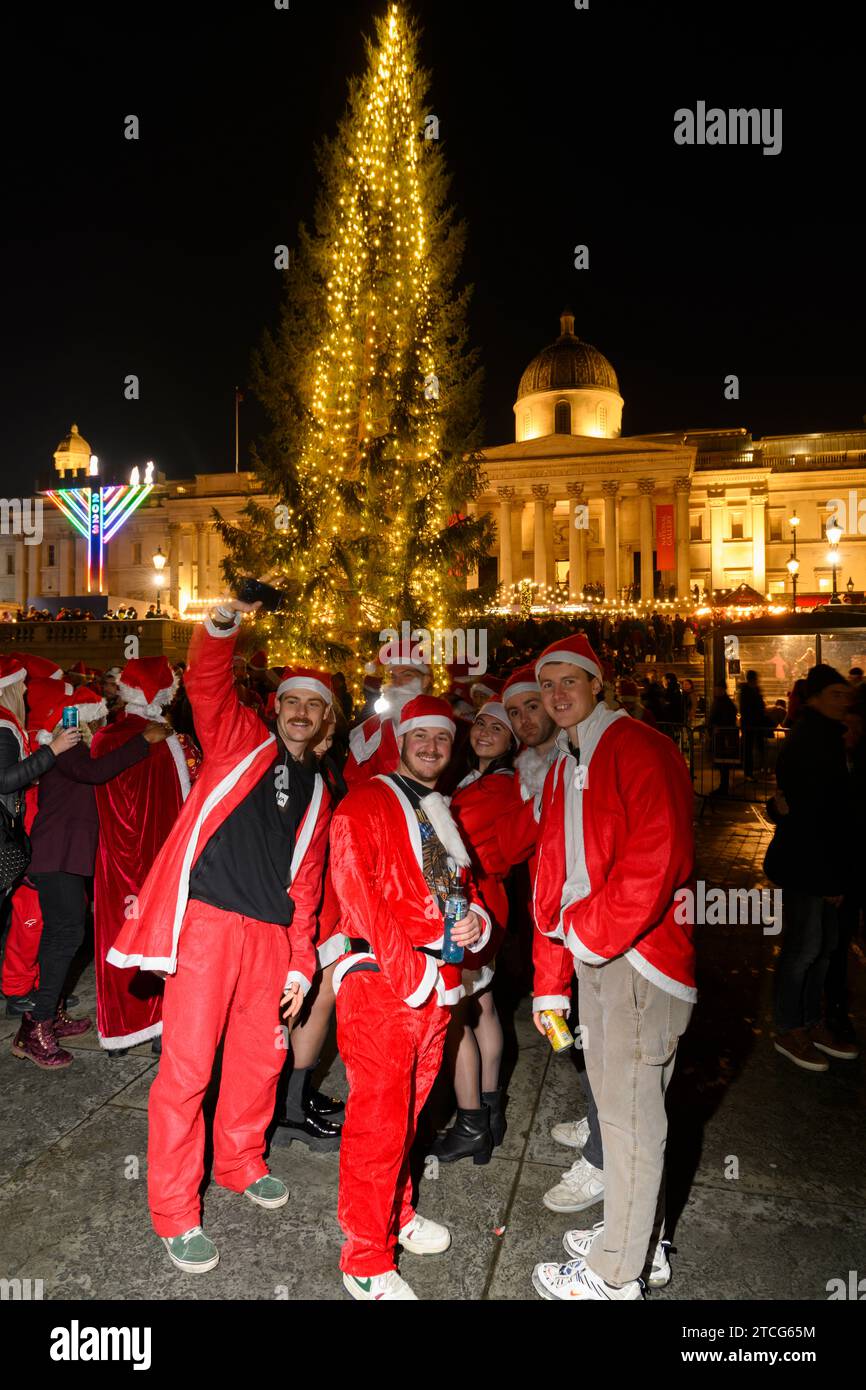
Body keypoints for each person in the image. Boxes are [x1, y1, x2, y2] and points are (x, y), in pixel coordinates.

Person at [107, 596, 332, 1273]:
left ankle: (239, 1161)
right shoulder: (239, 737)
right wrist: (222, 627)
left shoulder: (322, 790)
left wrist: (300, 965)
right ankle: (175, 1211)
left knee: (261, 1060)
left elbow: (306, 888)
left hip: (268, 939)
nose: (299, 711)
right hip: (205, 926)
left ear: (326, 720)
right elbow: (206, 680)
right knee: (187, 1071)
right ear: (277, 706)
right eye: (290, 700)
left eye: (313, 706)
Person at [529, 632, 695, 1301]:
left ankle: (615, 1271)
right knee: (630, 1113)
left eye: (571, 681)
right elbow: (553, 877)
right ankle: (638, 1243)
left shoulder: (638, 747)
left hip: (636, 962)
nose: (557, 694)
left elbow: (657, 857)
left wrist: (588, 937)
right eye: (547, 684)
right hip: (605, 958)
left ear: (601, 684)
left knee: (628, 1123)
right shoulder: (570, 757)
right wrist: (551, 981)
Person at [329, 694, 491, 1300]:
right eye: (421, 738)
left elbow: (457, 889)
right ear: (401, 739)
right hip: (383, 985)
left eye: (442, 742)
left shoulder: (438, 807)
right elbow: (357, 896)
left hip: (435, 985)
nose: (431, 749)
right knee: (378, 1123)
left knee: (410, 1116)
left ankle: (395, 1215)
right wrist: (409, 973)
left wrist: (474, 922)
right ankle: (365, 1257)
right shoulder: (366, 802)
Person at [11, 681, 164, 1070]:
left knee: (64, 934)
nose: (104, 722)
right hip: (55, 857)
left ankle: (49, 1014)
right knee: (66, 935)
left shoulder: (73, 750)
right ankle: (35, 1026)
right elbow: (96, 773)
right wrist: (143, 740)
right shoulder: (71, 749)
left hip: (63, 857)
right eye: (100, 716)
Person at [92, 658, 201, 1055]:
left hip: (117, 858)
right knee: (161, 937)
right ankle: (159, 1021)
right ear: (167, 693)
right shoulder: (171, 739)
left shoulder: (106, 738)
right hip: (162, 857)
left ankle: (119, 1027)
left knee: (116, 935)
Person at [431, 700, 518, 1164]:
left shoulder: (499, 785)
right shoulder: (476, 778)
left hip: (478, 903)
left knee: (459, 1009)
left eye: (498, 728)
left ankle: (472, 1120)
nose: (485, 732)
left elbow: (449, 832)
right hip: (480, 899)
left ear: (512, 742)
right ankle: (488, 1110)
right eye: (482, 723)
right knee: (482, 1004)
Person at [764, 665, 857, 1070]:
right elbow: (813, 815)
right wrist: (830, 878)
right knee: (804, 948)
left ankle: (808, 1020)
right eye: (835, 694)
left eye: (844, 694)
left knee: (823, 949)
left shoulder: (830, 739)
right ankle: (789, 1025)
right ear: (817, 697)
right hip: (810, 866)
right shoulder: (812, 742)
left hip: (824, 863)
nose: (844, 701)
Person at [0, 661, 80, 1017]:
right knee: (28, 922)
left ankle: (32, 985)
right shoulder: (6, 728)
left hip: (25, 845)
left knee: (36, 924)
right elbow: (6, 782)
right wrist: (52, 752)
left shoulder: (14, 729)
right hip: (21, 845)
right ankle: (17, 989)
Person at [345, 640, 432, 785]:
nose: (398, 684)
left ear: (425, 681)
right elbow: (353, 782)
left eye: (407, 675)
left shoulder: (446, 727)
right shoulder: (370, 731)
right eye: (393, 677)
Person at [707, 681, 738, 796]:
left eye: (718, 688)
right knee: (721, 763)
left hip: (722, 736)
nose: (716, 691)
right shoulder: (720, 701)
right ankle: (723, 786)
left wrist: (718, 728)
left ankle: (723, 787)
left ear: (723, 689)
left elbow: (726, 719)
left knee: (723, 763)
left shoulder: (725, 703)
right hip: (719, 735)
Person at [739, 669, 767, 778]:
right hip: (751, 723)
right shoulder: (748, 691)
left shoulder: (752, 690)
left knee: (756, 746)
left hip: (754, 723)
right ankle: (749, 771)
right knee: (749, 747)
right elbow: (748, 708)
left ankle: (758, 769)